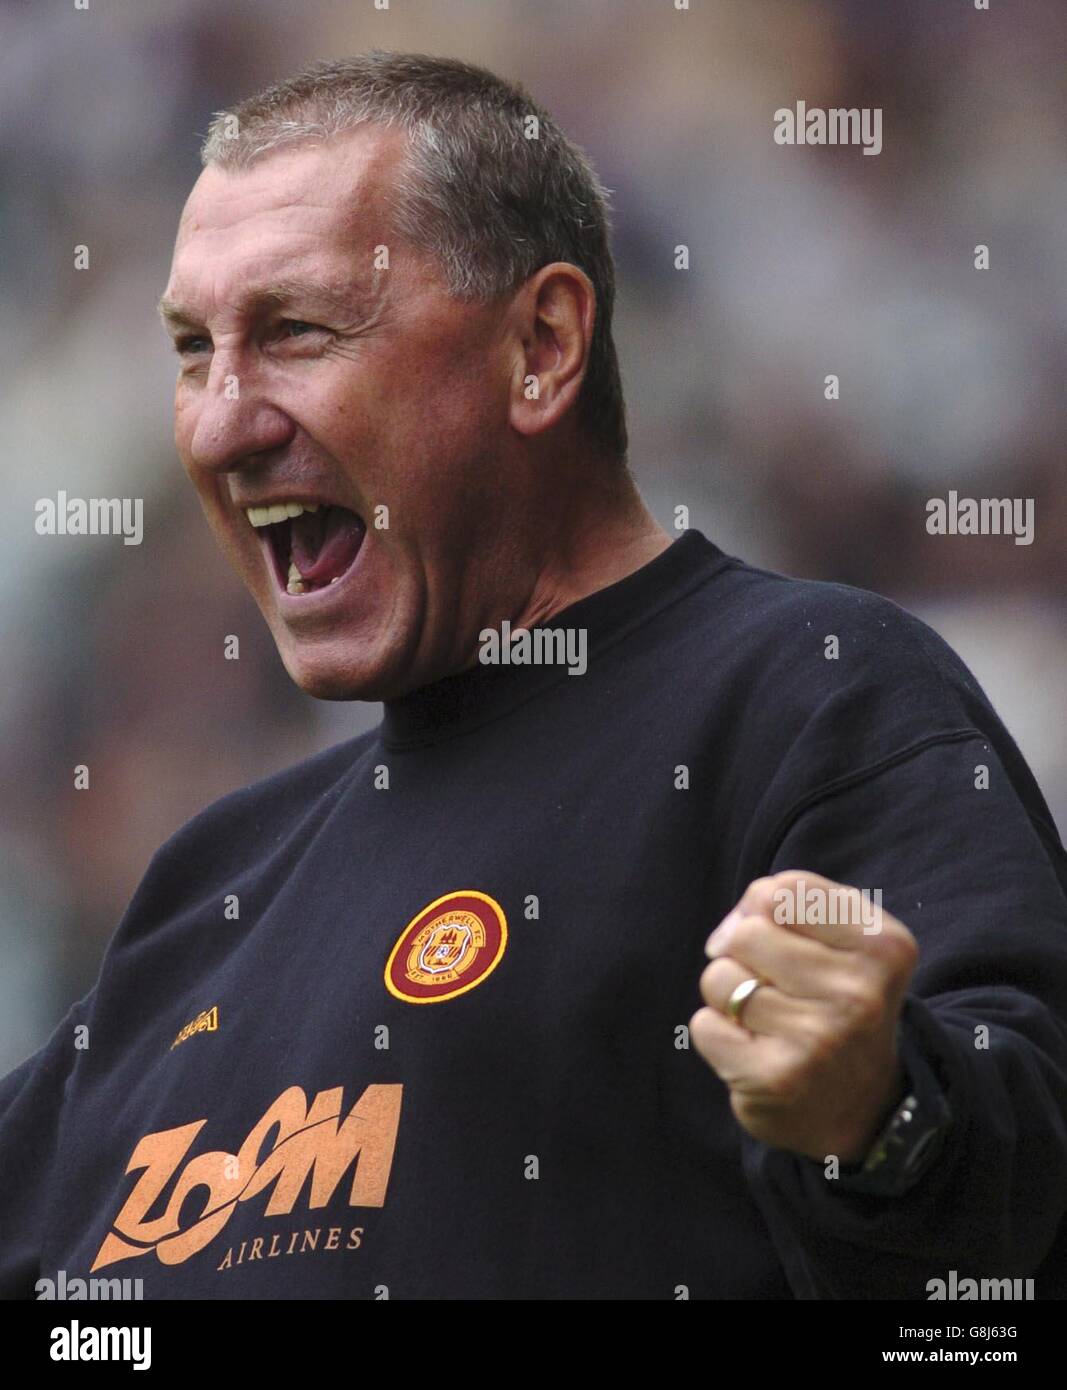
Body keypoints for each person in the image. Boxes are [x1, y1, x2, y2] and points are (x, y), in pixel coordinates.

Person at [2, 51, 1065, 1301]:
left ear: (542, 346)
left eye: (296, 330)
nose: (220, 422)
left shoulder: (805, 697)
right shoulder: (206, 889)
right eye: (193, 348)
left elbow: (1007, 1217)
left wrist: (881, 1115)